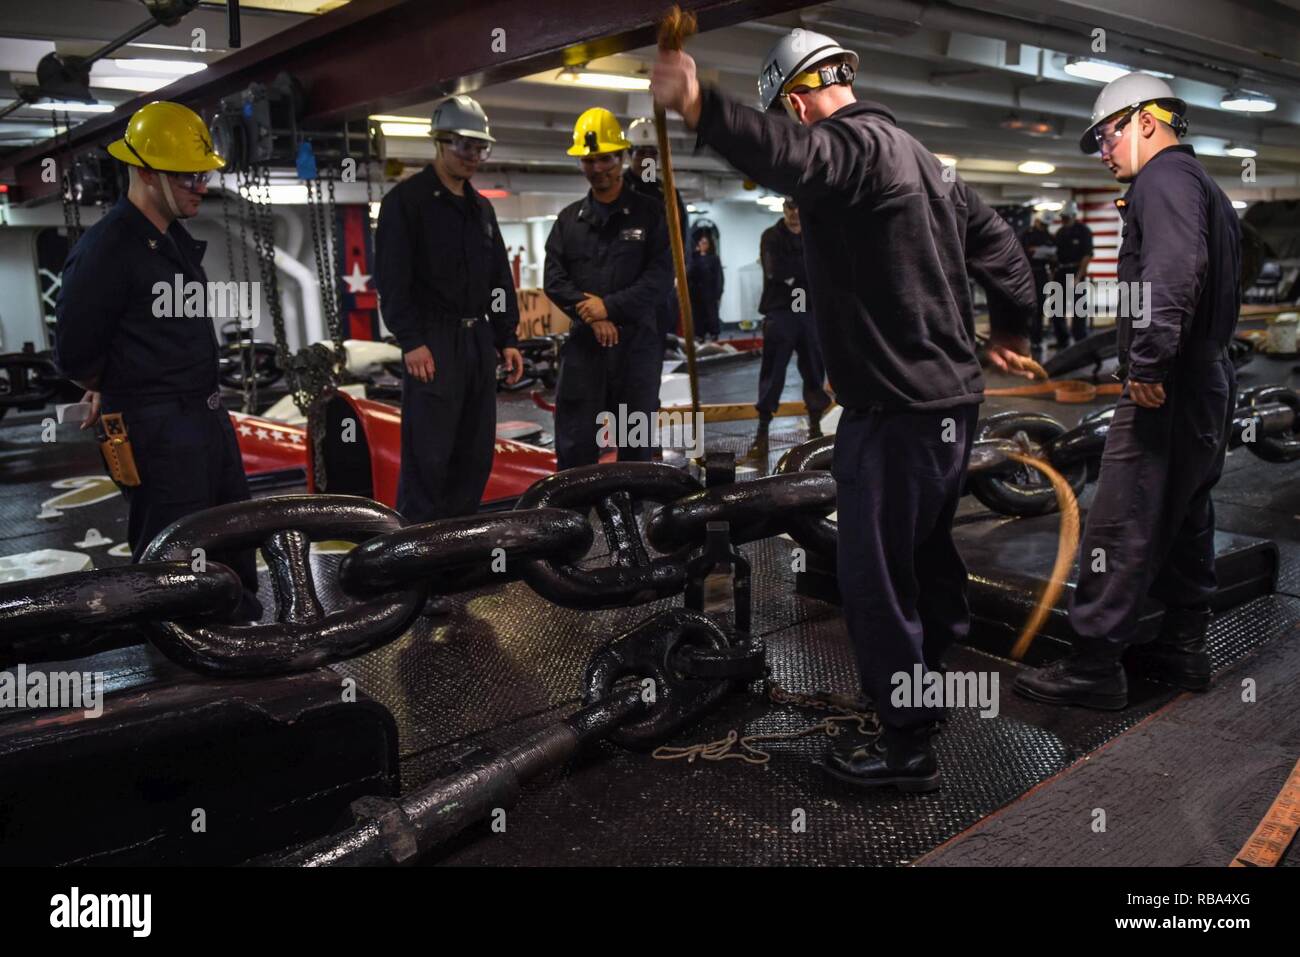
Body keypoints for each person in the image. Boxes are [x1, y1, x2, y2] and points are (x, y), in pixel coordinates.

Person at [652, 28, 1036, 791]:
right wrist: (1013, 328)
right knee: (926, 558)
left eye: (795, 117)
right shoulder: (926, 160)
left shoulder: (850, 150)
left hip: (892, 411)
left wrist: (700, 104)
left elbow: (799, 158)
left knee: (875, 575)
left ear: (799, 102)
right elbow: (1003, 248)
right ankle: (926, 694)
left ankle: (905, 745)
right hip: (950, 403)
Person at [1015, 73, 1241, 710]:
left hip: (1170, 386)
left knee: (1120, 519)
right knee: (1188, 513)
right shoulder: (1203, 186)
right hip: (1206, 381)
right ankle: (1183, 645)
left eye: (1106, 135)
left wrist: (1147, 366)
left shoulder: (1163, 180)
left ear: (1144, 121)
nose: (1103, 151)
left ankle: (1093, 666)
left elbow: (1173, 273)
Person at [54, 100, 262, 621]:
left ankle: (242, 644)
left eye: (203, 174)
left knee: (233, 531)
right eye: (188, 175)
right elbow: (75, 354)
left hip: (204, 416)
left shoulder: (170, 242)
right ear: (145, 172)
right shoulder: (108, 249)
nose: (201, 184)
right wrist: (120, 384)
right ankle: (180, 666)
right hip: (157, 427)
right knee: (173, 550)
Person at [374, 95, 524, 523]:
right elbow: (392, 279)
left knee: (474, 450)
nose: (473, 156)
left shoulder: (481, 209)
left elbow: (499, 279)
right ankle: (419, 553)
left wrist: (506, 337)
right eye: (464, 145)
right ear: (439, 142)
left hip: (478, 340)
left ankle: (459, 545)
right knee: (430, 453)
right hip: (432, 341)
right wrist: (411, 340)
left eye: (480, 148)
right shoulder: (406, 202)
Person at [543, 107, 672, 469]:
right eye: (589, 160)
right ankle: (573, 521)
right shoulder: (569, 221)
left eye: (605, 159)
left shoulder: (651, 215)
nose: (598, 168)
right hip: (585, 346)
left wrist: (610, 308)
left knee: (636, 445)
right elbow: (554, 279)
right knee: (575, 443)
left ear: (621, 156)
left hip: (636, 348)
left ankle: (636, 519)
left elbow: (660, 279)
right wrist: (594, 314)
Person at [753, 197, 831, 447]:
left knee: (814, 370)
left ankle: (815, 426)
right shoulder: (771, 236)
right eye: (790, 207)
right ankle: (763, 428)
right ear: (784, 209)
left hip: (809, 313)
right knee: (773, 372)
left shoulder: (815, 236)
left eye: (799, 207)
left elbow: (824, 270)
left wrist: (796, 274)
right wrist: (805, 272)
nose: (794, 213)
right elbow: (775, 271)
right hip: (781, 313)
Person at [624, 116, 689, 346]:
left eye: (651, 153)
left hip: (660, 287)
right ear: (629, 154)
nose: (646, 159)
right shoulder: (619, 191)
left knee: (657, 346)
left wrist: (678, 274)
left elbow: (682, 235)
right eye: (641, 153)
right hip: (628, 286)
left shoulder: (667, 193)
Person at [1051, 205, 1095, 346]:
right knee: (1057, 307)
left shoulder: (1083, 231)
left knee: (1079, 308)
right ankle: (1062, 339)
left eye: (1066, 218)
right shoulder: (1060, 232)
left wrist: (1078, 276)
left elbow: (1087, 255)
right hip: (1061, 271)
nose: (1064, 220)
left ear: (1074, 216)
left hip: (1075, 271)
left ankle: (1080, 340)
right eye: (1062, 218)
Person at [1020, 214, 1055, 357]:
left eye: (1046, 226)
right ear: (1036, 221)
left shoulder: (1049, 236)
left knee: (1040, 307)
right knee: (1025, 308)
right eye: (1042, 225)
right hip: (1027, 274)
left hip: (1041, 274)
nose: (1044, 228)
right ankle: (1024, 336)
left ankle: (1037, 338)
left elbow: (1054, 255)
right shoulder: (1025, 235)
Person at [687, 230, 723, 341]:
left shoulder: (714, 258)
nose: (703, 245)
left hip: (710, 292)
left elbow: (719, 276)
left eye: (705, 243)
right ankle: (699, 335)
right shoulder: (694, 258)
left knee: (711, 314)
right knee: (698, 315)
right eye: (701, 242)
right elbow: (690, 273)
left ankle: (714, 334)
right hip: (696, 293)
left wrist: (718, 291)